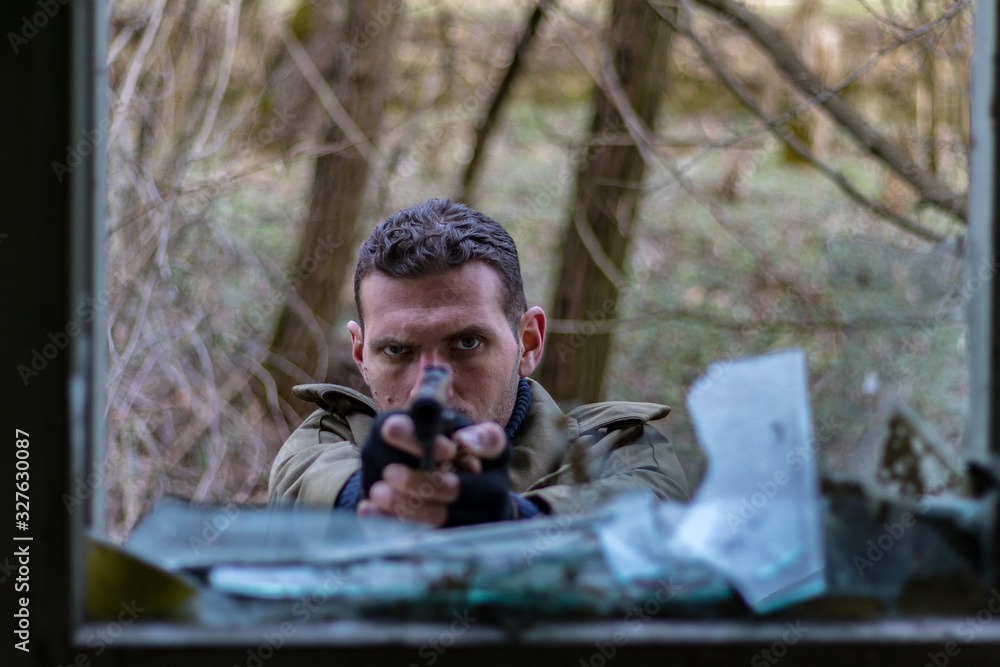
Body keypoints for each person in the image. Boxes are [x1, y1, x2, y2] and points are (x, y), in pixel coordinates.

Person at [269, 198, 688, 526]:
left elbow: (646, 513)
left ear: (528, 342)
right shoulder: (325, 441)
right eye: (397, 350)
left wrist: (509, 521)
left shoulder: (616, 446)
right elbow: (306, 488)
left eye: (466, 343)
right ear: (360, 354)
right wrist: (371, 492)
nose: (427, 387)